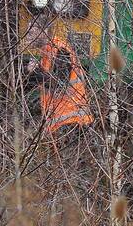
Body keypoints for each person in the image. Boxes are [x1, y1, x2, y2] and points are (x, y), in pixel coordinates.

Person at [23, 11, 94, 139]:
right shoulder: (47, 53)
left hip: (73, 124)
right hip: (62, 124)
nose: (27, 35)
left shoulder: (60, 51)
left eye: (31, 31)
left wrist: (36, 72)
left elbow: (59, 85)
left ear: (43, 31)